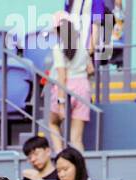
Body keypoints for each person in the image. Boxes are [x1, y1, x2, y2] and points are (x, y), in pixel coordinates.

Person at [47, 13, 93, 152]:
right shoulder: (82, 45)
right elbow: (90, 69)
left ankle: (61, 155)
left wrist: (61, 103)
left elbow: (62, 77)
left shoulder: (58, 48)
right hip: (83, 88)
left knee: (52, 123)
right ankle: (81, 170)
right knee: (76, 139)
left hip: (66, 90)